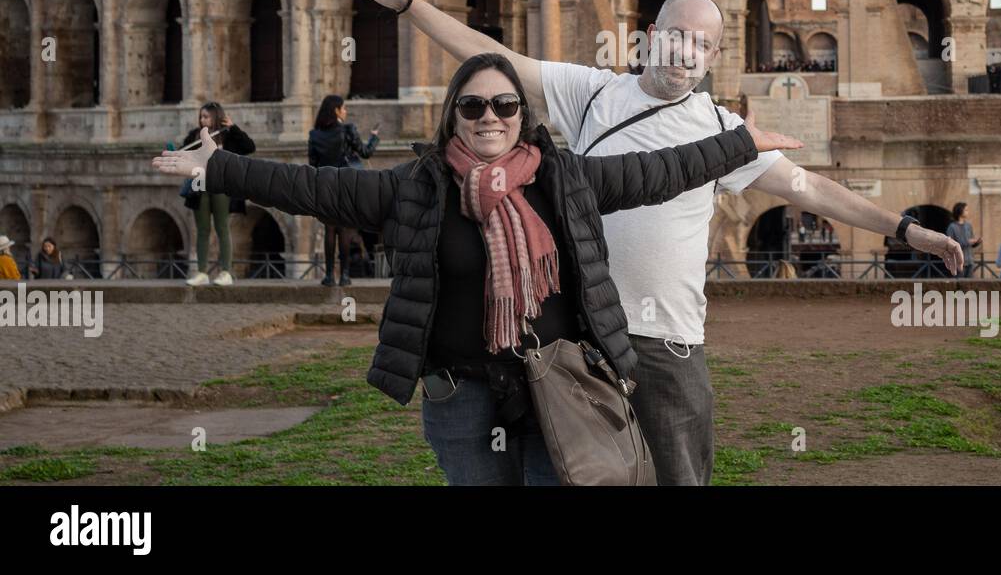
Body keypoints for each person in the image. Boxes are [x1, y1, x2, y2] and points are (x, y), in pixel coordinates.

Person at [339, 0, 964, 486]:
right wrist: (410, 4)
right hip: (580, 338)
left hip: (667, 344)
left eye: (702, 43)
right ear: (650, 37)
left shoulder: (721, 130)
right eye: (676, 35)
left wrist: (907, 229)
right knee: (578, 473)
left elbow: (810, 187)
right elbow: (494, 58)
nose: (685, 51)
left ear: (714, 54)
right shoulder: (593, 94)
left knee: (677, 476)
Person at [152, 52, 800, 486]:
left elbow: (658, 171)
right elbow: (314, 188)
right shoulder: (415, 186)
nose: (490, 116)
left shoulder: (563, 178)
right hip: (460, 392)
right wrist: (218, 166)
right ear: (453, 116)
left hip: (559, 379)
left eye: (504, 106)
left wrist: (741, 143)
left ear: (523, 116)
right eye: (473, 106)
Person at [179, 102, 256, 286]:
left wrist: (234, 128)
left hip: (221, 185)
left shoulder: (226, 136)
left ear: (215, 117)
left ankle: (226, 272)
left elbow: (249, 147)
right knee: (202, 230)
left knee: (222, 227)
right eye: (201, 116)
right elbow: (184, 157)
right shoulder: (194, 136)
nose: (202, 120)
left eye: (206, 116)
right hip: (200, 185)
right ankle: (202, 272)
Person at [308, 95, 380, 286]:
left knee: (330, 230)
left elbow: (312, 164)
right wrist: (374, 137)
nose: (346, 111)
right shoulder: (348, 130)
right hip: (347, 183)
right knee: (346, 230)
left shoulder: (314, 135)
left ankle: (330, 275)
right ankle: (345, 275)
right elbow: (365, 152)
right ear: (336, 111)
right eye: (344, 108)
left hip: (325, 184)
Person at [946, 202, 982, 279]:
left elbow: (971, 244)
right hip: (958, 261)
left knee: (969, 287)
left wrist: (977, 242)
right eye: (966, 210)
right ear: (960, 211)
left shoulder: (968, 225)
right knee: (959, 286)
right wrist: (967, 242)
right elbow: (949, 245)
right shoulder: (952, 227)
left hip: (970, 261)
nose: (967, 212)